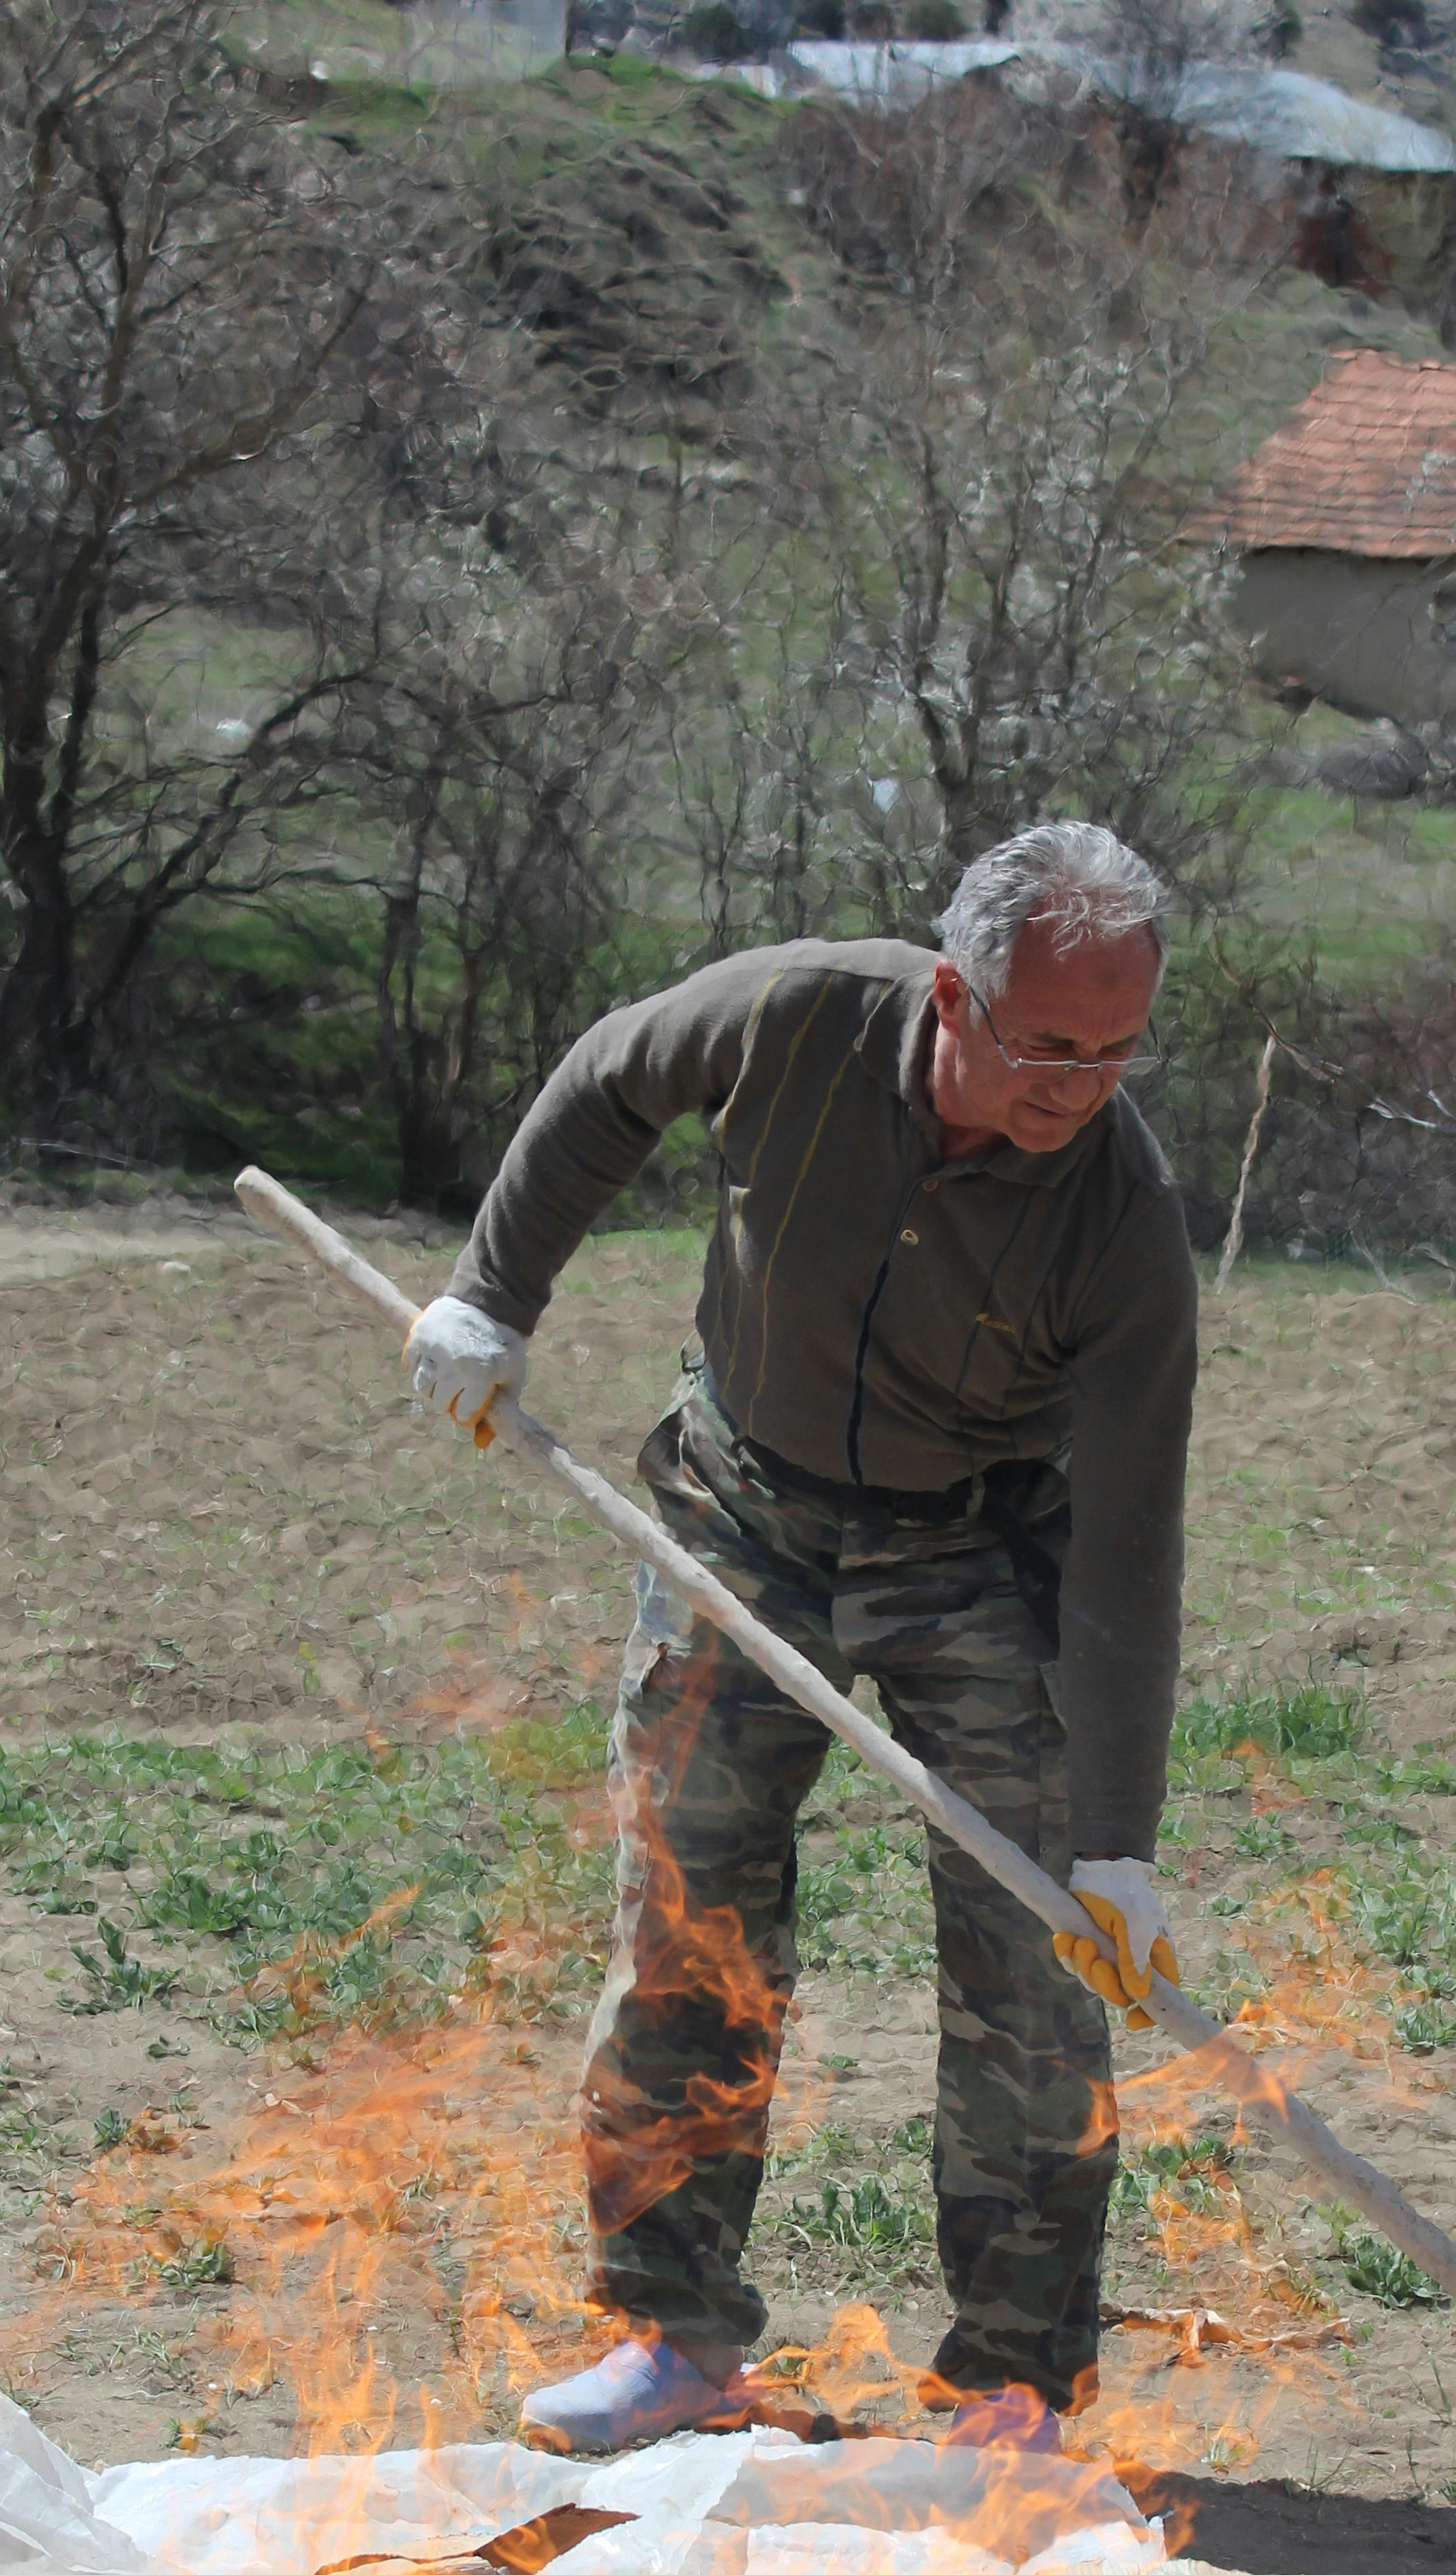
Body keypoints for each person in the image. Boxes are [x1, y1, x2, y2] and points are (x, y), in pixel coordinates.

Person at [406, 821, 1198, 2455]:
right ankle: (672, 2340)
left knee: (1034, 1977)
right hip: (739, 1508)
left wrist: (1113, 1851)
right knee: (689, 1914)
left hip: (980, 1544)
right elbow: (605, 1080)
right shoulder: (797, 1016)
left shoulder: (1122, 1220)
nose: (1079, 1085)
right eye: (1047, 1044)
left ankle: (1014, 2393)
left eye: (1117, 1051)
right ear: (953, 995)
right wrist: (495, 1295)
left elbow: (1129, 1547)